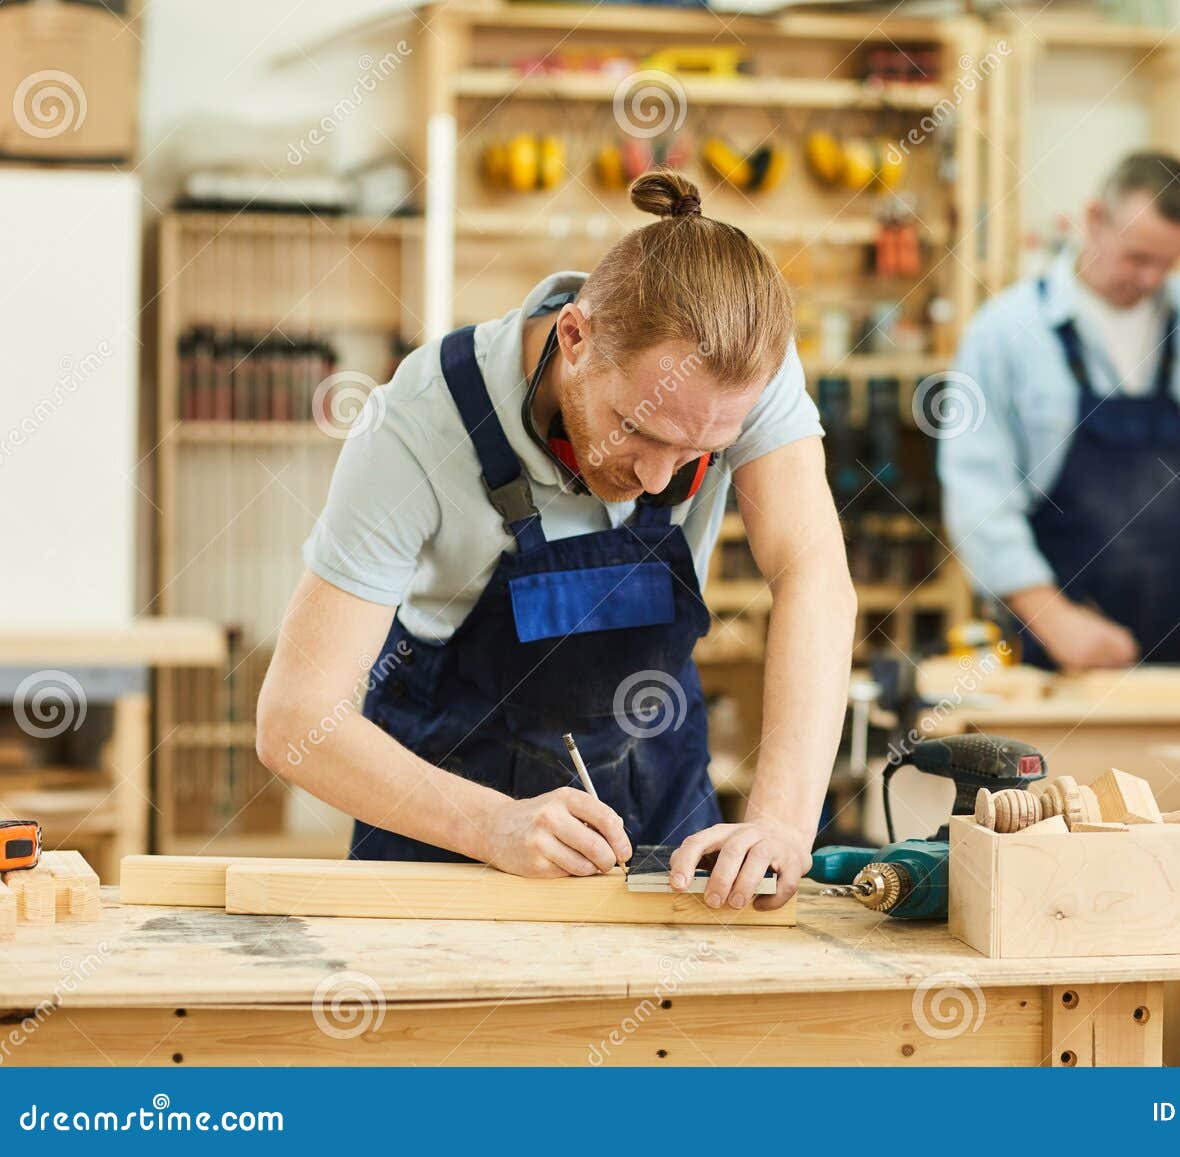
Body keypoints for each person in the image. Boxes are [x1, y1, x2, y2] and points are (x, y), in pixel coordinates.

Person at [257, 172, 855, 912]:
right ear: (575, 337)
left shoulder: (731, 378)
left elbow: (813, 573)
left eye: (703, 451)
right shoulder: (414, 424)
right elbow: (292, 720)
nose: (659, 477)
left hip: (657, 797)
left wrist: (780, 823)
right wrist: (491, 824)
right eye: (639, 429)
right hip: (445, 821)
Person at [938, 151, 1180, 670]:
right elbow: (978, 490)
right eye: (1136, 257)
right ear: (1093, 219)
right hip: (1047, 649)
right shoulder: (1005, 333)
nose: (1150, 278)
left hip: (1177, 642)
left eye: (1168, 263)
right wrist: (1051, 616)